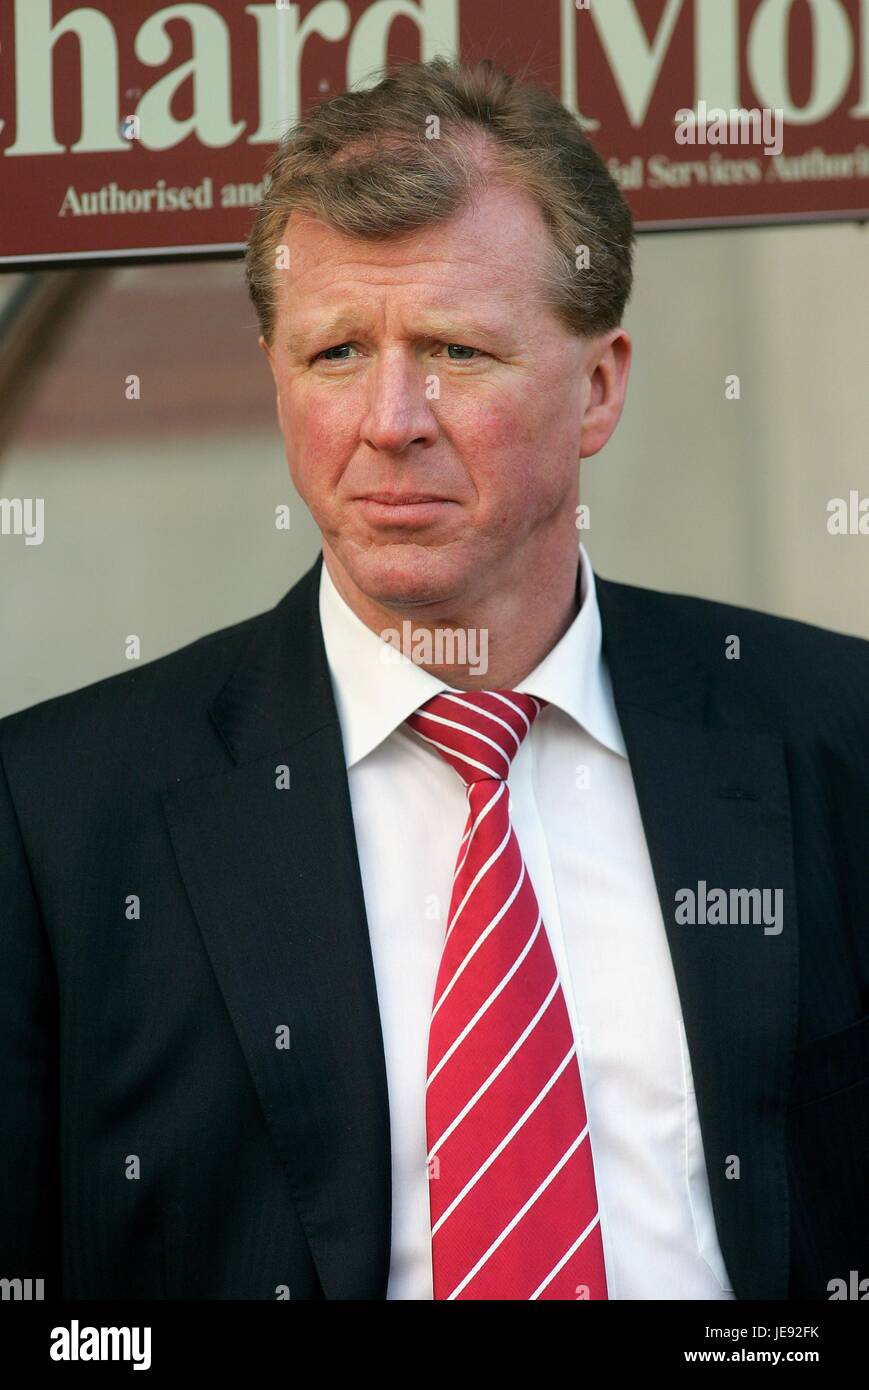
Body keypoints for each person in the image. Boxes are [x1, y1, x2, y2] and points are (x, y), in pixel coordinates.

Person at [1, 57, 867, 1302]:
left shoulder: (831, 735)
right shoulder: (58, 816)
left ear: (599, 387)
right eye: (337, 352)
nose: (390, 418)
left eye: (456, 351)